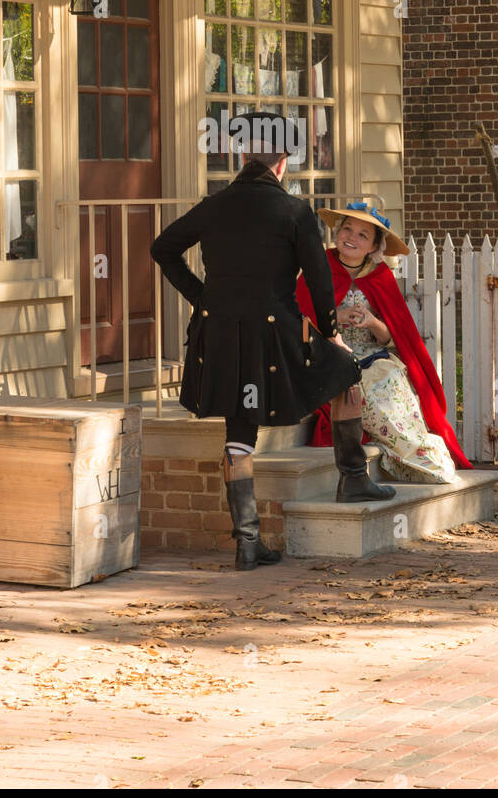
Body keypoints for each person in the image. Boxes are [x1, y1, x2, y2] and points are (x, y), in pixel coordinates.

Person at [150, 113, 395, 572]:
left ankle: (247, 542)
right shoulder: (294, 211)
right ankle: (353, 478)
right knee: (345, 371)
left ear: (244, 156)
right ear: (282, 162)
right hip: (275, 331)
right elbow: (321, 282)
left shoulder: (215, 205)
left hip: (219, 333)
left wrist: (202, 296)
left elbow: (162, 248)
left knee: (239, 433)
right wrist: (331, 332)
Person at [296, 201, 472, 483]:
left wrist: (372, 322)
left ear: (374, 248)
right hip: (328, 358)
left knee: (390, 381)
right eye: (347, 229)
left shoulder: (380, 277)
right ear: (337, 233)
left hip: (374, 357)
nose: (351, 237)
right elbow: (296, 323)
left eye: (362, 235)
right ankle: (412, 457)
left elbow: (393, 338)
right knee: (364, 385)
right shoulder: (318, 270)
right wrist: (334, 318)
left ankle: (421, 451)